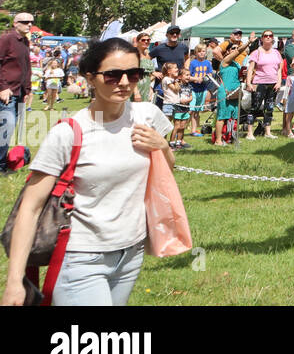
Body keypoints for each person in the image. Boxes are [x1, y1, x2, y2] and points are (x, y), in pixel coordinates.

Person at [2, 38, 173, 306]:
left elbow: (166, 171)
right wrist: (14, 282)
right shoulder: (67, 133)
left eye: (134, 73)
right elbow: (30, 208)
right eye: (113, 75)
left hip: (131, 252)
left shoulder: (147, 116)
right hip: (82, 256)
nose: (125, 82)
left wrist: (162, 146)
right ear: (90, 78)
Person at [243, 30, 283, 140]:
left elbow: (279, 69)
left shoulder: (276, 53)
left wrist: (279, 82)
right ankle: (249, 133)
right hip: (259, 83)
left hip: (273, 83)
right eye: (266, 36)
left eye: (270, 36)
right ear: (262, 38)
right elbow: (250, 69)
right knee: (255, 107)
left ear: (273, 38)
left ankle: (267, 132)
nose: (268, 37)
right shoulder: (256, 52)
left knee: (269, 108)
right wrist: (249, 83)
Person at [213, 41, 246, 146]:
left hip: (235, 91)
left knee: (234, 116)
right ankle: (218, 140)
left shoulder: (236, 64)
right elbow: (239, 52)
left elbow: (238, 77)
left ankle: (231, 137)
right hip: (225, 92)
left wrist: (244, 74)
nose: (236, 50)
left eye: (237, 48)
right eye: (233, 48)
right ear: (227, 51)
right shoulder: (224, 61)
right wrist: (249, 42)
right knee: (222, 116)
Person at [185, 42, 214, 138]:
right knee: (191, 109)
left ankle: (194, 130)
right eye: (200, 51)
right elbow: (188, 76)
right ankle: (182, 125)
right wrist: (196, 79)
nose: (202, 53)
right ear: (196, 53)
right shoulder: (193, 63)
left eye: (204, 51)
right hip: (193, 89)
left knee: (197, 111)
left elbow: (210, 74)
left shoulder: (207, 63)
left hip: (203, 89)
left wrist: (205, 77)